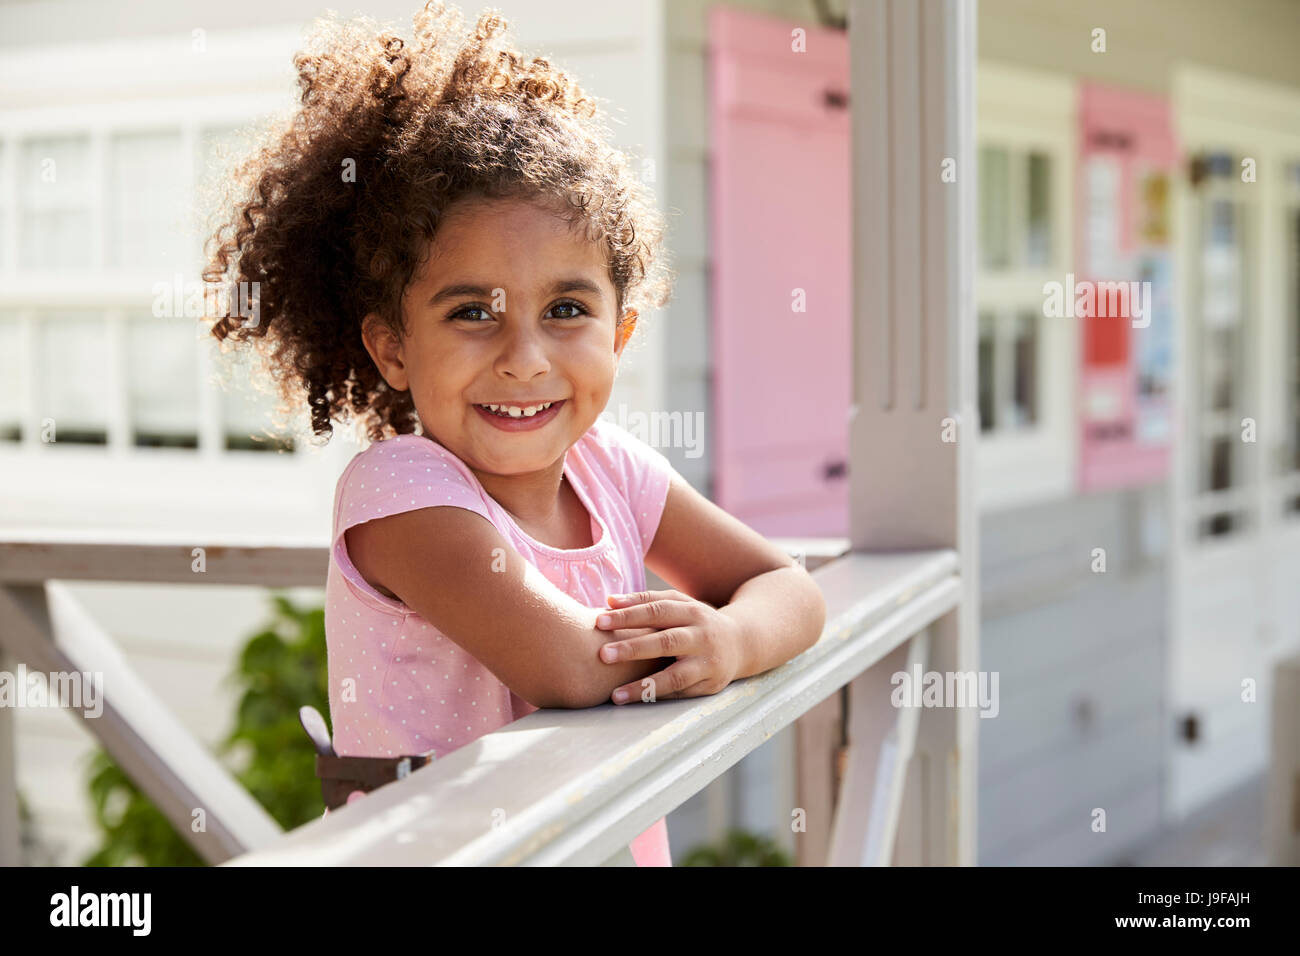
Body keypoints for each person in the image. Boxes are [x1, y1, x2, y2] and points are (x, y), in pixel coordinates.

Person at [201, 0, 826, 866]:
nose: (525, 358)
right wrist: (700, 637)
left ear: (621, 332)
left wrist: (731, 637)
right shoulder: (401, 494)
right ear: (392, 348)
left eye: (567, 309)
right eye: (471, 313)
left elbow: (788, 589)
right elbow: (568, 668)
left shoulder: (614, 472)